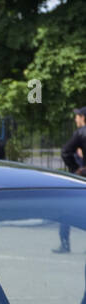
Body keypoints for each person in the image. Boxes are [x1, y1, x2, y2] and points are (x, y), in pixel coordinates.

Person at [53, 107, 86, 252]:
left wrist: (75, 169)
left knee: (66, 210)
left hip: (82, 178)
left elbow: (65, 152)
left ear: (83, 117)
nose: (75, 119)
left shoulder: (81, 133)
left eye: (77, 116)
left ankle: (65, 243)